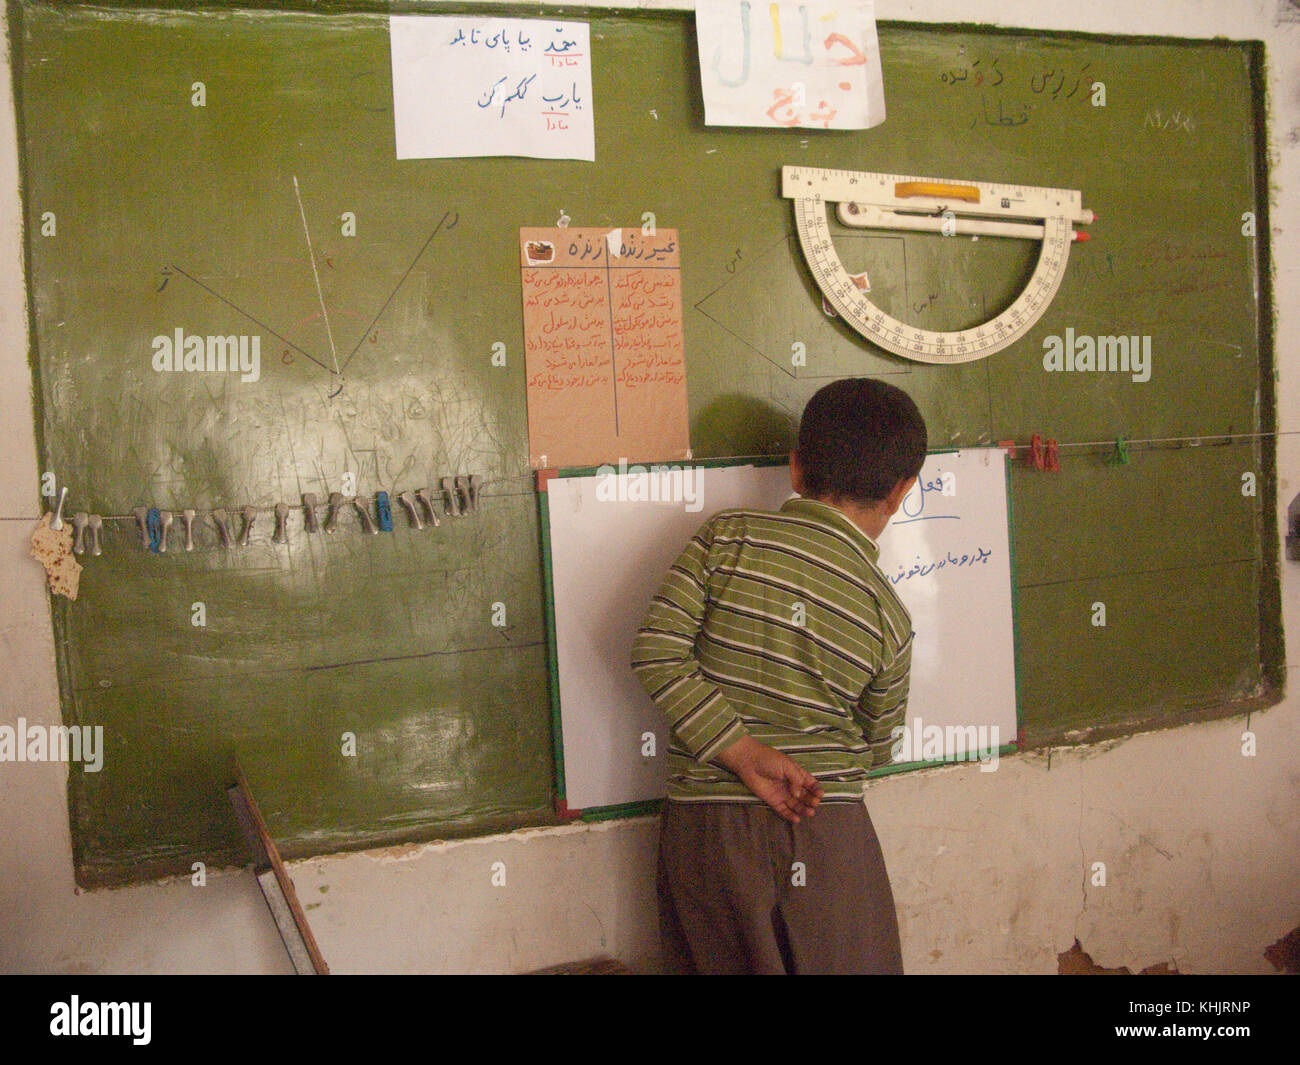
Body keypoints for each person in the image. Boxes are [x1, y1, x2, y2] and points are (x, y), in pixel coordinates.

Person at [631, 377, 926, 975]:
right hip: (826, 824)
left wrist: (738, 749)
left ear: (795, 469)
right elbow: (877, 743)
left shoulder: (727, 538)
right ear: (900, 493)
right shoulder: (887, 613)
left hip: (708, 828)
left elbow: (656, 649)